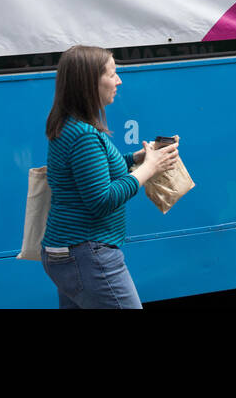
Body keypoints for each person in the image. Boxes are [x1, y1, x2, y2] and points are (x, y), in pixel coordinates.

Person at [40, 44, 179, 308]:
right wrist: (150, 168)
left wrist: (139, 158)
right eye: (112, 73)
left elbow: (93, 173)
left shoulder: (72, 126)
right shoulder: (84, 135)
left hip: (67, 252)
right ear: (90, 82)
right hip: (88, 253)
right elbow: (101, 199)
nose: (119, 80)